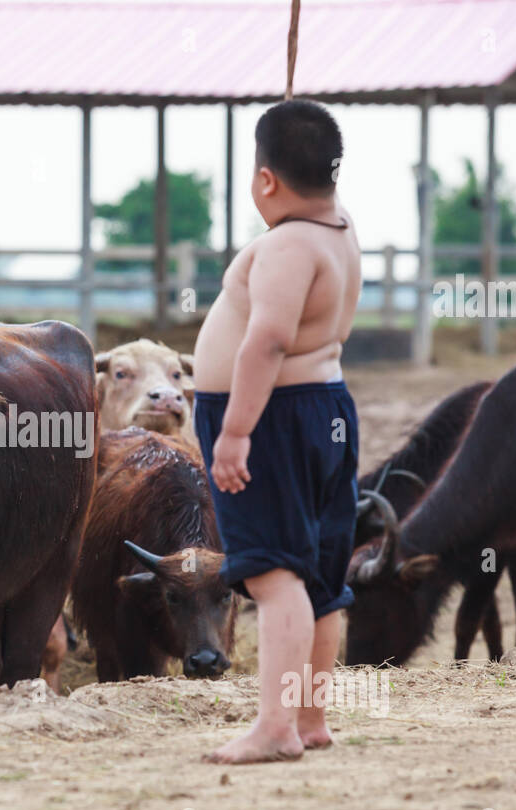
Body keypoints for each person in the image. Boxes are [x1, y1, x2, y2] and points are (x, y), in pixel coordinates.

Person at [191, 99, 362, 763]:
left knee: (273, 574)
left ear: (265, 181)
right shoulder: (338, 230)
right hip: (324, 411)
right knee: (318, 574)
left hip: (268, 420)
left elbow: (265, 342)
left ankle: (274, 727)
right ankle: (311, 717)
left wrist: (234, 434)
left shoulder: (287, 247)